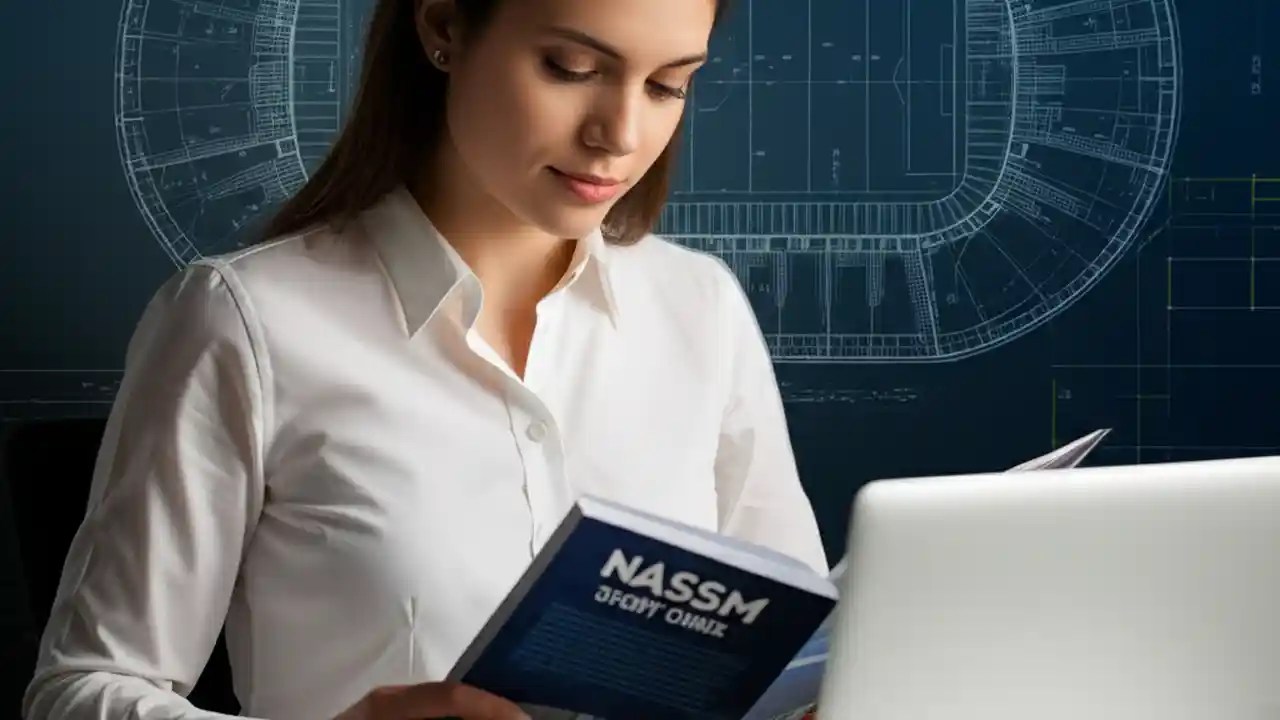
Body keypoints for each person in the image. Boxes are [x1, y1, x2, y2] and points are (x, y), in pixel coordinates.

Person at [22, 0, 829, 717]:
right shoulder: (247, 321)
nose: (619, 134)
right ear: (444, 26)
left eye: (667, 85)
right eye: (570, 67)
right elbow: (82, 689)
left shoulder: (701, 306)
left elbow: (805, 652)